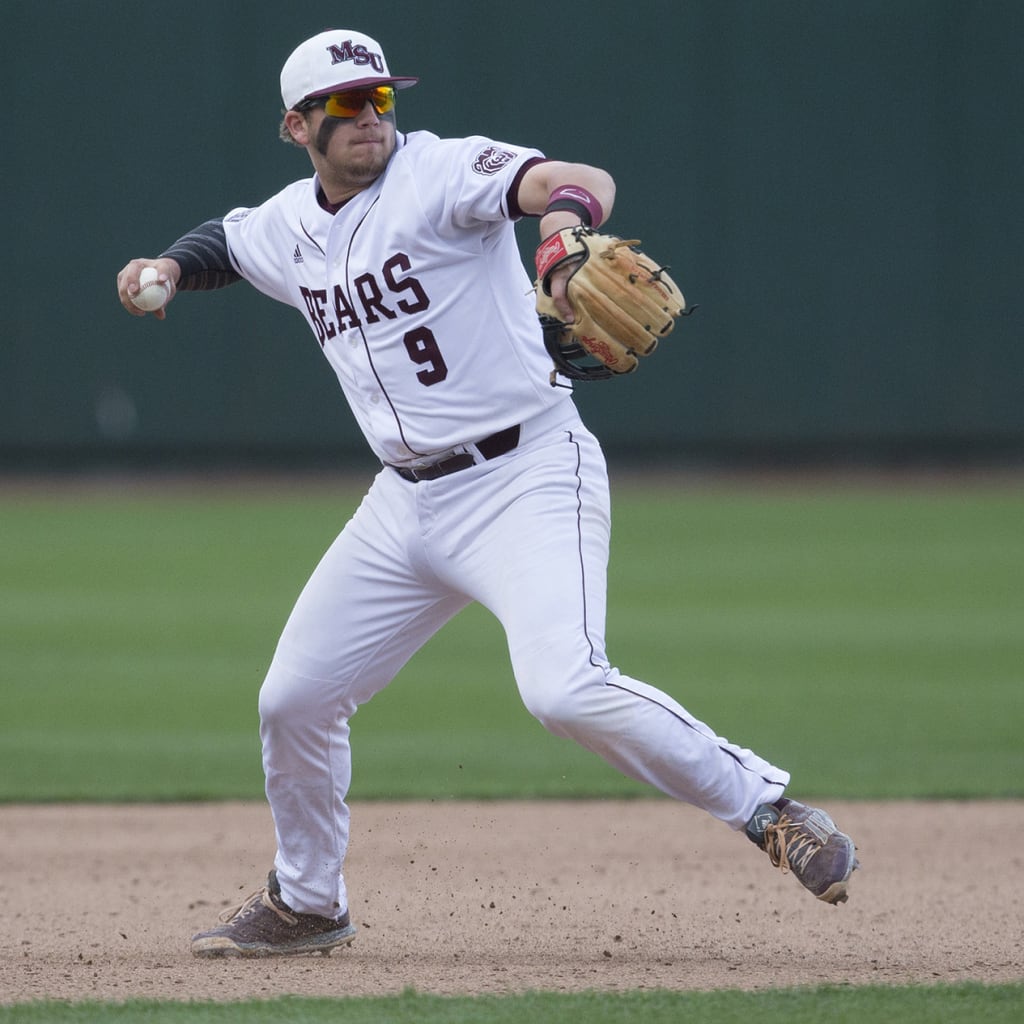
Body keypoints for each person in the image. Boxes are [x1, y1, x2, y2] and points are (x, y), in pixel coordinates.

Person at [116, 29, 858, 959]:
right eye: (345, 104)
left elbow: (572, 179)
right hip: (403, 505)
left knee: (563, 689)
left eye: (381, 97)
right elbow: (228, 240)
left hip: (526, 474)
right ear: (297, 126)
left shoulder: (438, 173)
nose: (369, 116)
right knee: (293, 700)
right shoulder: (290, 223)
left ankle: (772, 810)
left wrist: (562, 234)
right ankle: (307, 903)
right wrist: (166, 269)